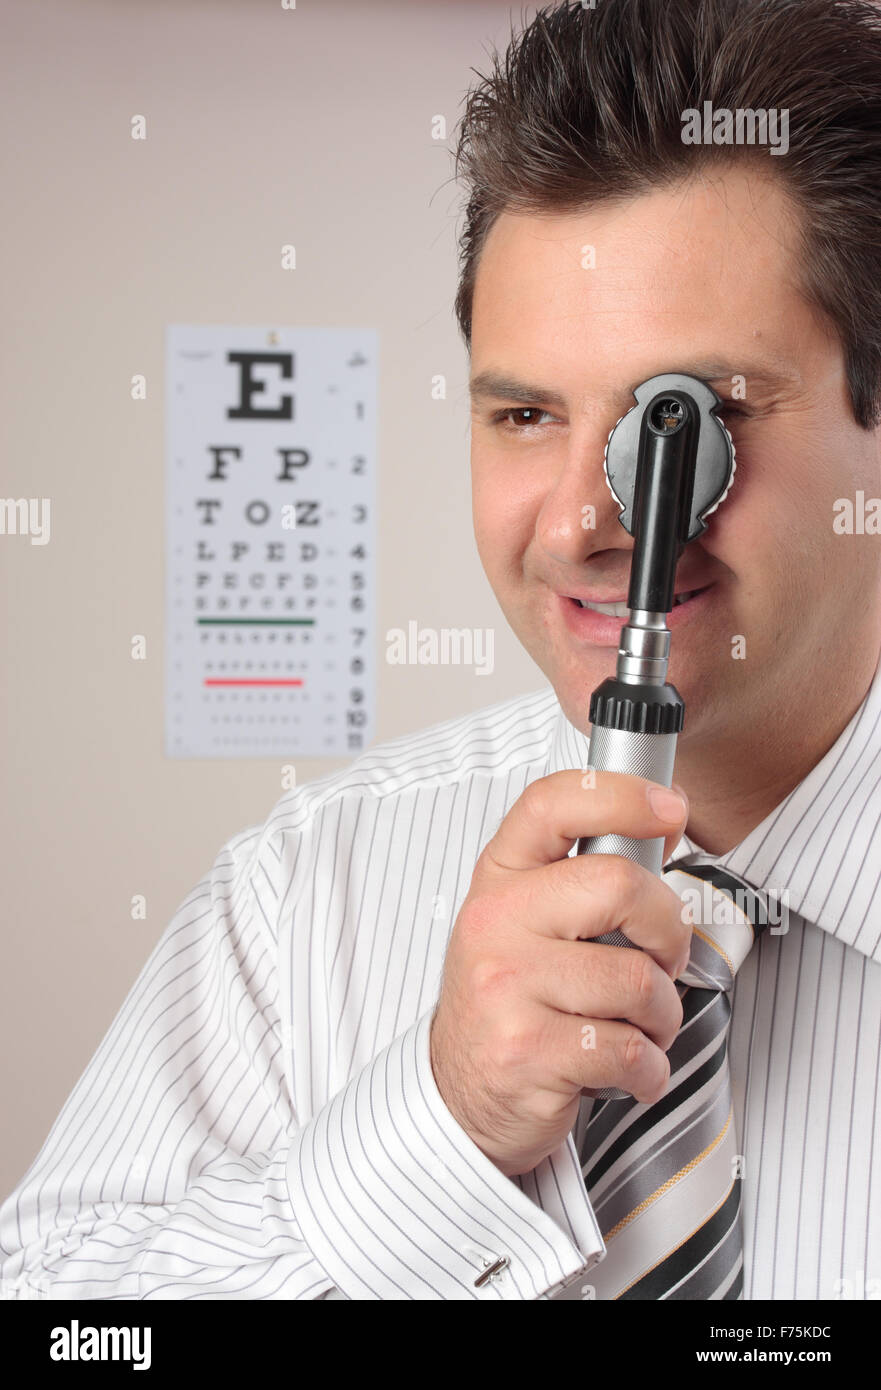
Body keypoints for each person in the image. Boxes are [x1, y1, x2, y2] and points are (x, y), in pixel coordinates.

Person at [3, 0, 881, 1301]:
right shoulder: (302, 889)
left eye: (684, 419)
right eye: (524, 414)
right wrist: (430, 1131)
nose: (589, 520)